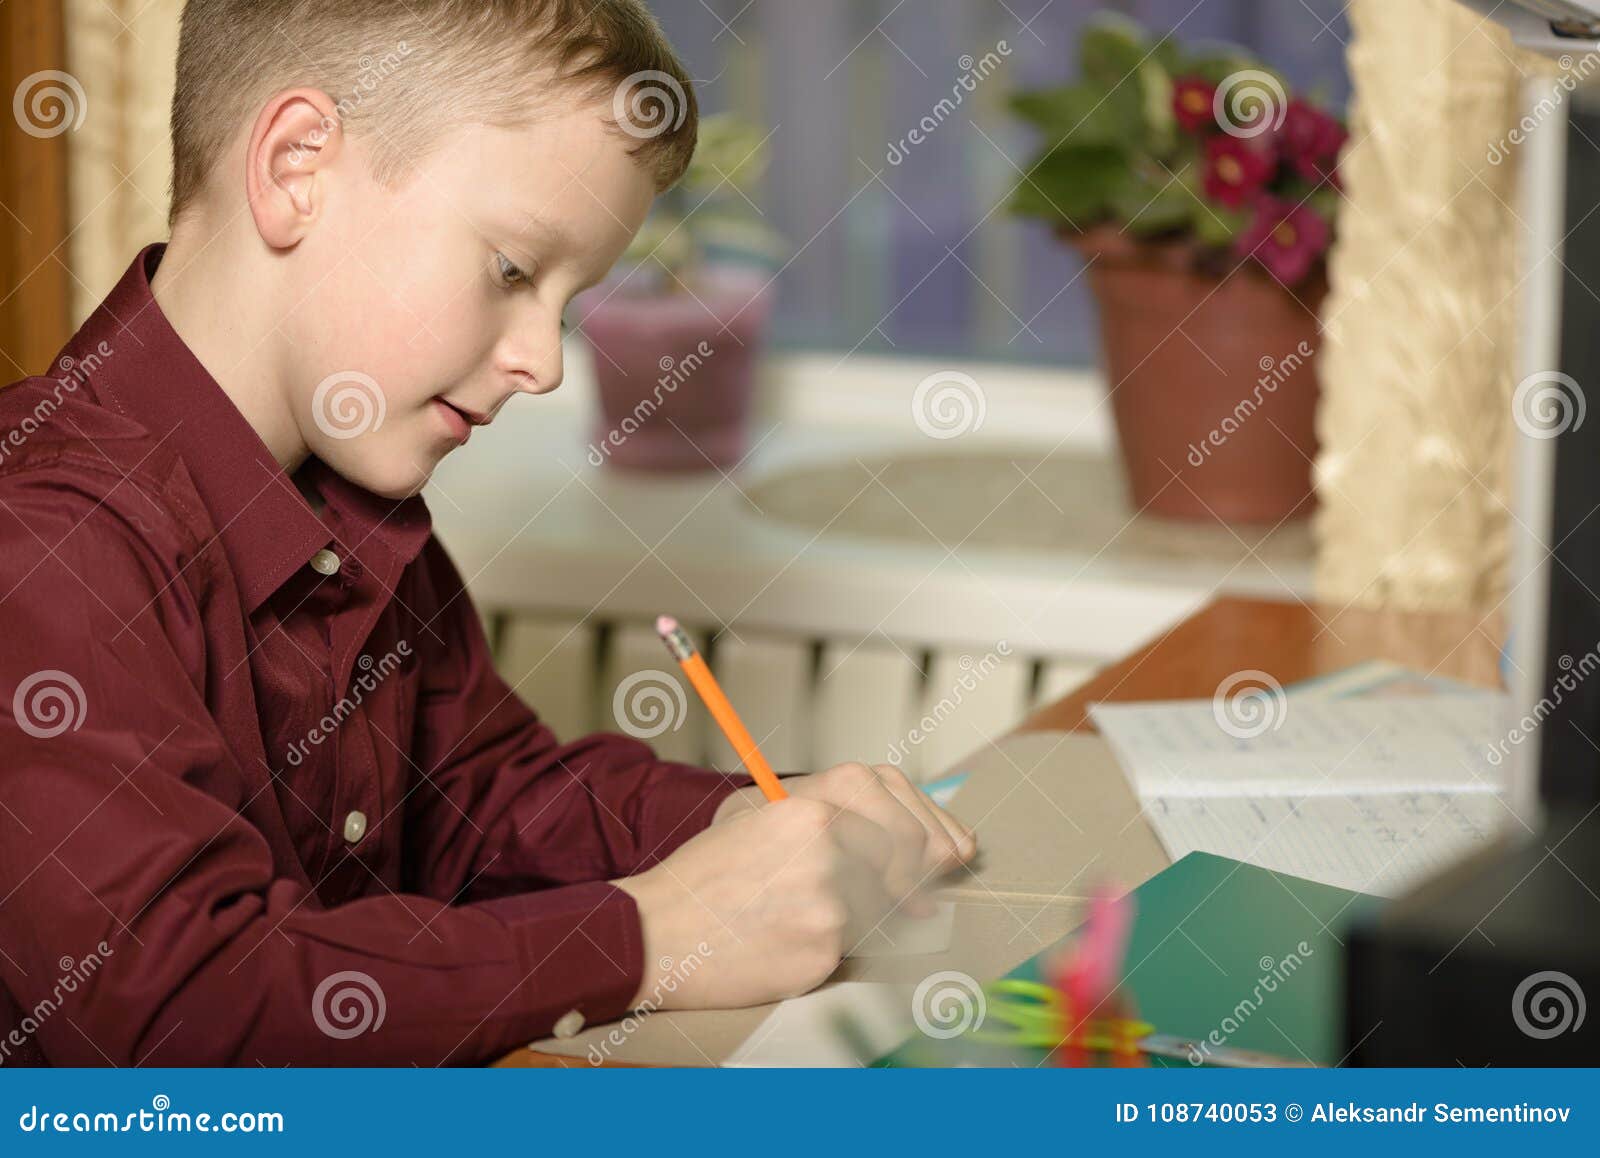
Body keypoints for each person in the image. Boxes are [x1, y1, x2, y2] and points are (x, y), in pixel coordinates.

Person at [0, 0, 975, 1066]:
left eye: (566, 301)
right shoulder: (41, 540)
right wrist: (658, 935)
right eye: (513, 270)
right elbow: (180, 1007)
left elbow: (488, 802)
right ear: (295, 169)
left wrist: (746, 831)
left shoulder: (350, 493)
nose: (544, 364)